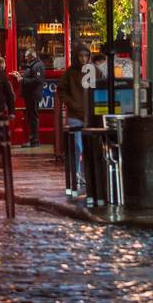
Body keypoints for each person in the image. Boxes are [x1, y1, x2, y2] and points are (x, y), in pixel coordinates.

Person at [59, 46, 92, 196]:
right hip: (75, 115)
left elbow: (102, 86)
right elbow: (61, 91)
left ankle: (85, 176)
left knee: (88, 147)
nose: (84, 59)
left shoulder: (93, 71)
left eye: (86, 56)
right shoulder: (70, 73)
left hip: (90, 115)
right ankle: (78, 175)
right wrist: (72, 103)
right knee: (78, 146)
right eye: (81, 56)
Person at [20, 49, 46, 148]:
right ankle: (32, 140)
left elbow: (37, 80)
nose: (25, 58)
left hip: (33, 95)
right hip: (30, 95)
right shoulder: (33, 65)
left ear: (32, 56)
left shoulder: (37, 66)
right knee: (31, 117)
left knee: (33, 118)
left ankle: (34, 141)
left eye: (27, 56)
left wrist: (23, 79)